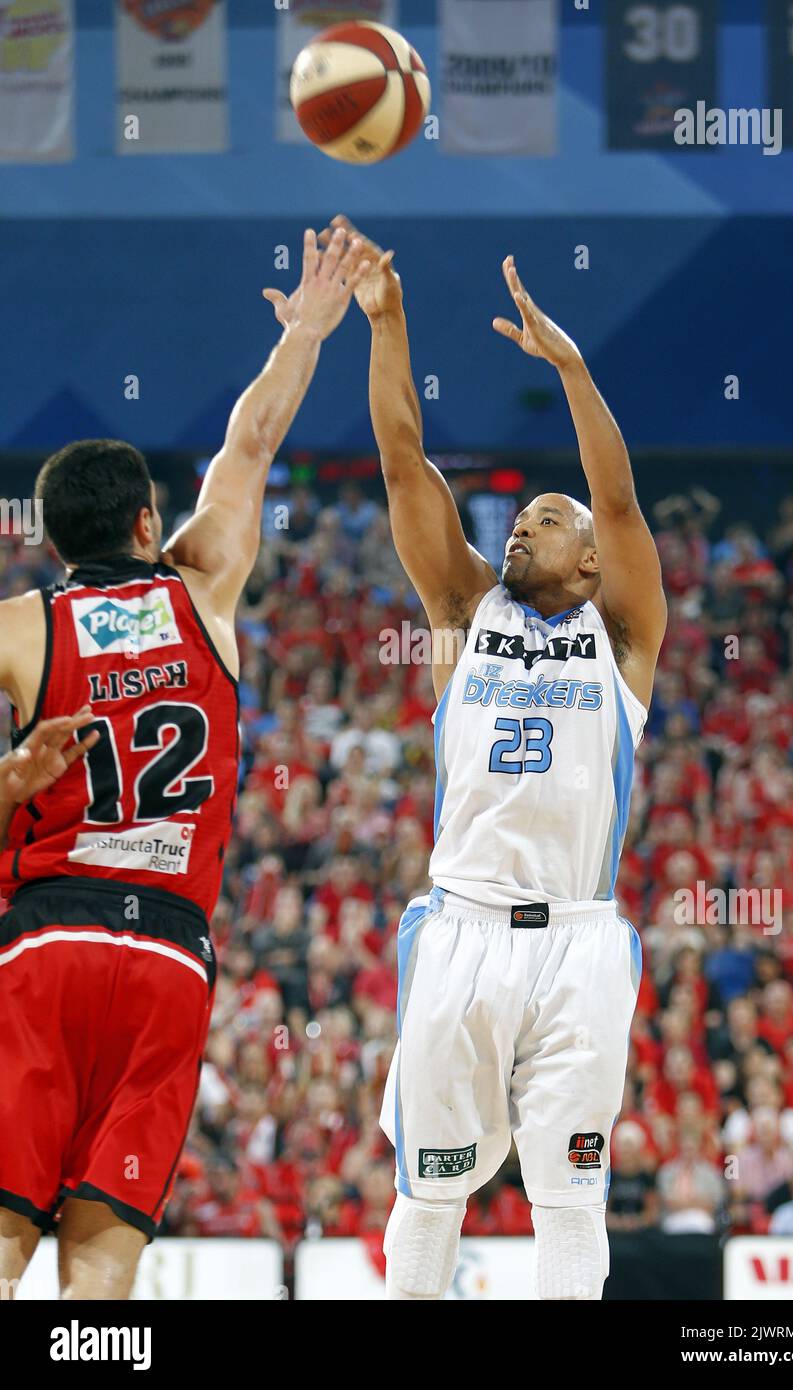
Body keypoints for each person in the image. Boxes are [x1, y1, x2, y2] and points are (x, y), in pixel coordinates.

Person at [0, 227, 368, 1299]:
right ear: (149, 520)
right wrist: (304, 330)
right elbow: (250, 444)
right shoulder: (204, 588)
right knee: (103, 1259)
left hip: (45, 943)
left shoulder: (23, 629)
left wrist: (12, 783)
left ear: (54, 539)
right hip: (166, 956)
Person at [322, 215, 667, 1300]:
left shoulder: (622, 639)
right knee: (428, 1189)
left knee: (570, 1194)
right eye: (518, 515)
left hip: (576, 938)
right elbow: (398, 459)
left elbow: (614, 496)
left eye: (546, 520)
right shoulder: (464, 607)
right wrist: (388, 322)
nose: (524, 525)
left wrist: (569, 367)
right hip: (461, 925)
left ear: (589, 558)